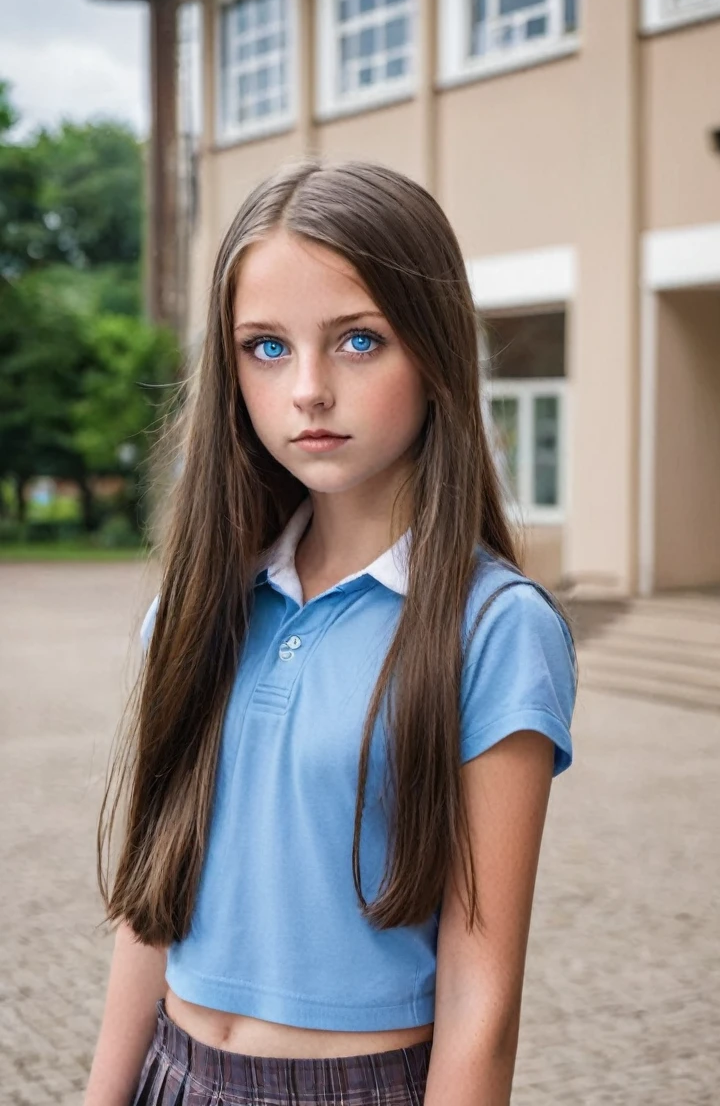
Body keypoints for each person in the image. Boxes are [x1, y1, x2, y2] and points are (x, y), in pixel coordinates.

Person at [84, 158, 577, 1106]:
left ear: (433, 352)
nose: (308, 389)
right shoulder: (195, 609)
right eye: (266, 347)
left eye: (358, 340)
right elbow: (152, 908)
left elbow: (482, 1005)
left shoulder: (495, 628)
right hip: (170, 1075)